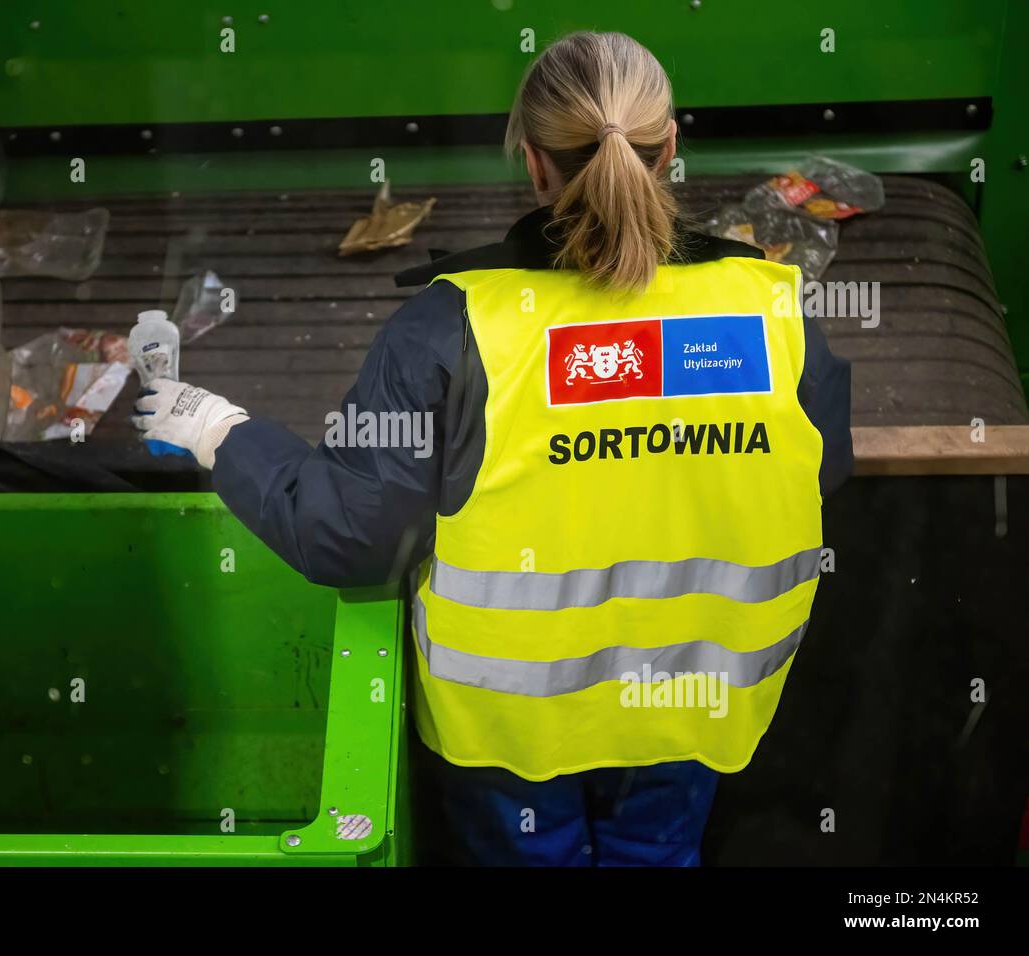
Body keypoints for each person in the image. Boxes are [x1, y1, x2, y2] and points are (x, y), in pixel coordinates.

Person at [133, 30, 853, 866]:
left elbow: (352, 537)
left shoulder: (453, 328)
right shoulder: (774, 312)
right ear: (670, 151)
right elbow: (816, 473)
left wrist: (216, 428)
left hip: (511, 732)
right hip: (693, 710)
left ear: (535, 163)